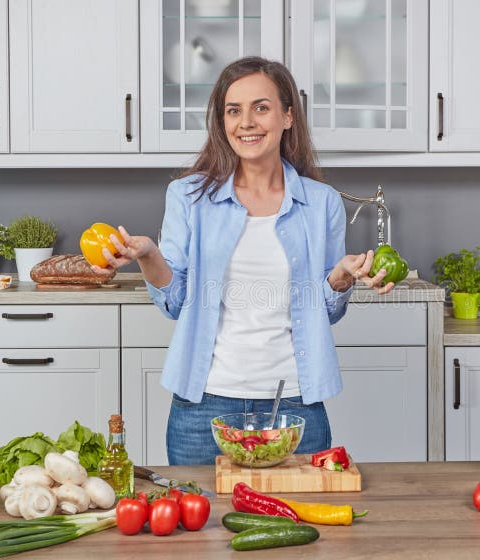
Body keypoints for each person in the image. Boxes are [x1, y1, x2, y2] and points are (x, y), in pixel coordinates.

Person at [92, 56, 394, 465]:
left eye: (261, 108)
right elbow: (175, 302)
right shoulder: (188, 196)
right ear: (222, 122)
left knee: (297, 524)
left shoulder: (321, 203)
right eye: (234, 110)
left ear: (288, 117)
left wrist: (340, 278)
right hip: (203, 406)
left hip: (295, 404)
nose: (246, 122)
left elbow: (326, 310)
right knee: (201, 527)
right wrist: (148, 255)